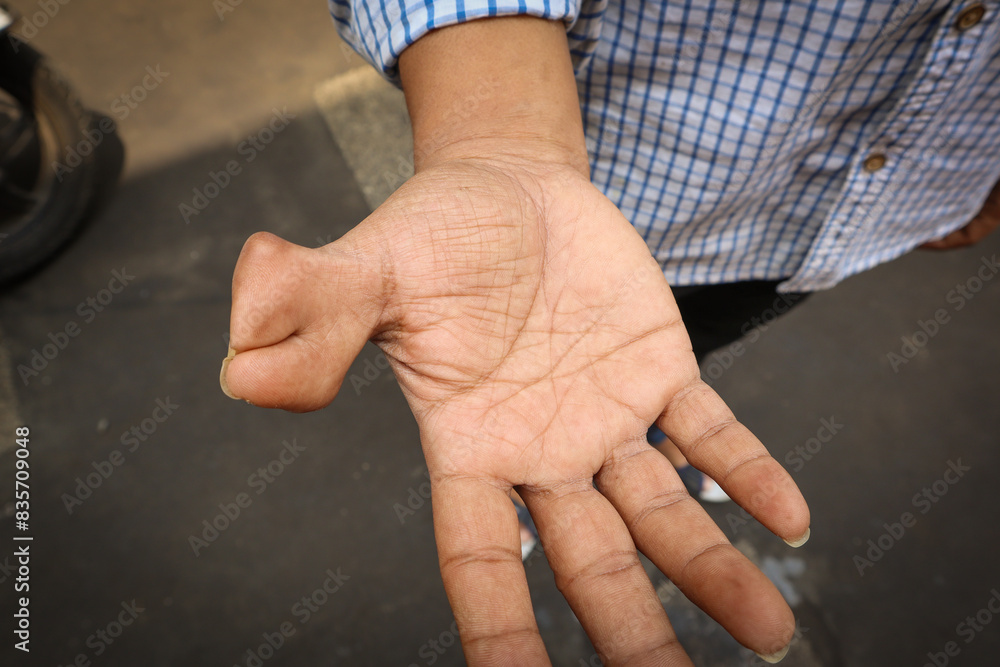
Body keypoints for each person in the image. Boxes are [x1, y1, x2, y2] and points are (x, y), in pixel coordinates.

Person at [220, 1, 1000, 664]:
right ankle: (533, 492)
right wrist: (499, 141)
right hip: (602, 183)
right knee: (611, 359)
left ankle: (650, 444)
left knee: (676, 357)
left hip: (827, 229)